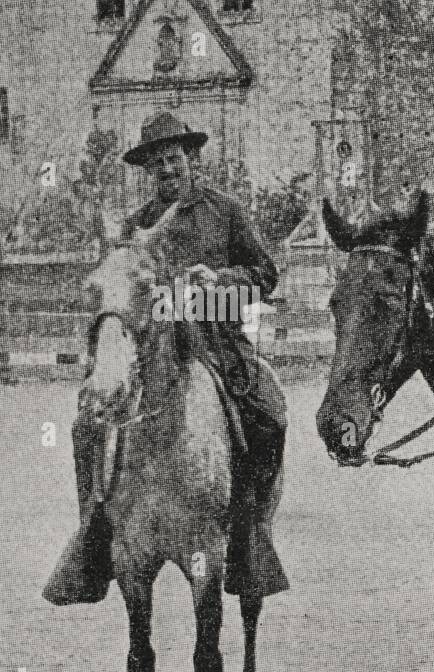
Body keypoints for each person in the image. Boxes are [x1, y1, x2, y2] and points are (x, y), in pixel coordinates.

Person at [45, 112, 286, 604]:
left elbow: (265, 274)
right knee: (88, 422)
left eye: (173, 159)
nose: (166, 170)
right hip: (153, 348)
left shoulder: (225, 212)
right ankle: (94, 532)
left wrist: (220, 280)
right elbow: (121, 285)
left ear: (191, 159)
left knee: (268, 414)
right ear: (147, 171)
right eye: (156, 164)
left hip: (217, 341)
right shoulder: (138, 225)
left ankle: (249, 533)